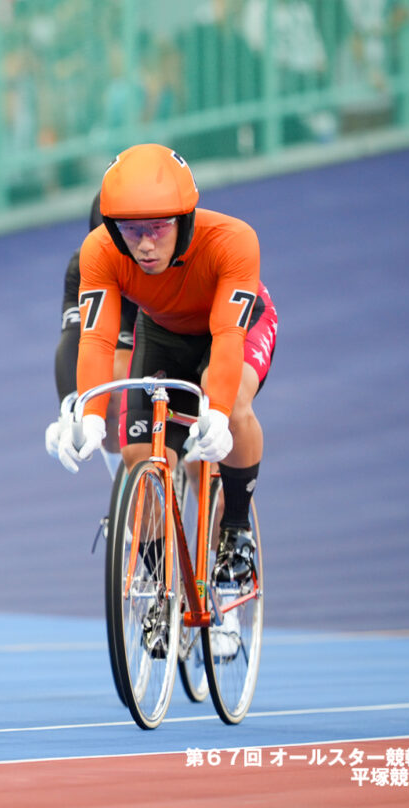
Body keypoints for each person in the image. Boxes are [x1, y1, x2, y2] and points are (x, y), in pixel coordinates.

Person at [46, 144, 277, 656]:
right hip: (166, 333)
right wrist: (84, 413)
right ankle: (160, 588)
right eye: (131, 231)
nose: (145, 245)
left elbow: (226, 340)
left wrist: (213, 412)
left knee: (232, 409)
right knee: (140, 457)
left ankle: (235, 529)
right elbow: (97, 340)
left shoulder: (233, 241)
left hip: (234, 327)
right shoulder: (99, 253)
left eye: (157, 229)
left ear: (184, 219)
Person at [52, 192, 138, 479]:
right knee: (110, 390)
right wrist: (70, 408)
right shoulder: (84, 266)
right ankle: (126, 496)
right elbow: (74, 337)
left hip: (171, 326)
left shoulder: (159, 259)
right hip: (128, 329)